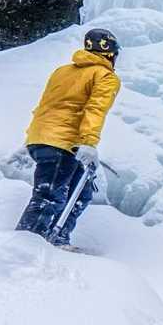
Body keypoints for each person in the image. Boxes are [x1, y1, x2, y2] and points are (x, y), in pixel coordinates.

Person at [15, 28, 121, 247]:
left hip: (44, 138)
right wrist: (89, 142)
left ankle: (57, 240)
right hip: (64, 142)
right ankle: (24, 246)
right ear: (111, 52)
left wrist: (34, 137)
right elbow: (95, 109)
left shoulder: (62, 71)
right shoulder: (105, 76)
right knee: (49, 196)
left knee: (80, 194)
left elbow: (49, 104)